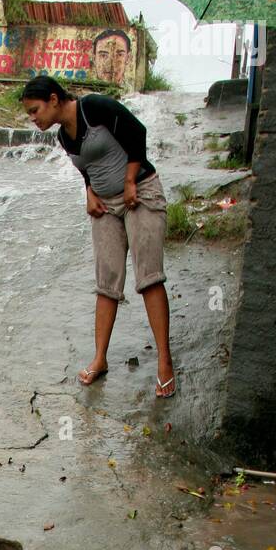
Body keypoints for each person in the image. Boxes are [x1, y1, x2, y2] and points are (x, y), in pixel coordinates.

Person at [21, 75, 175, 397]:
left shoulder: (95, 107)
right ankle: (100, 358)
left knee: (148, 277)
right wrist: (89, 192)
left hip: (140, 194)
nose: (33, 119)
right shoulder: (64, 136)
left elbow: (137, 134)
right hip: (105, 206)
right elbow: (86, 167)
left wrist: (131, 180)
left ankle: (164, 362)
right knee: (106, 283)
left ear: (53, 99)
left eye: (35, 111)